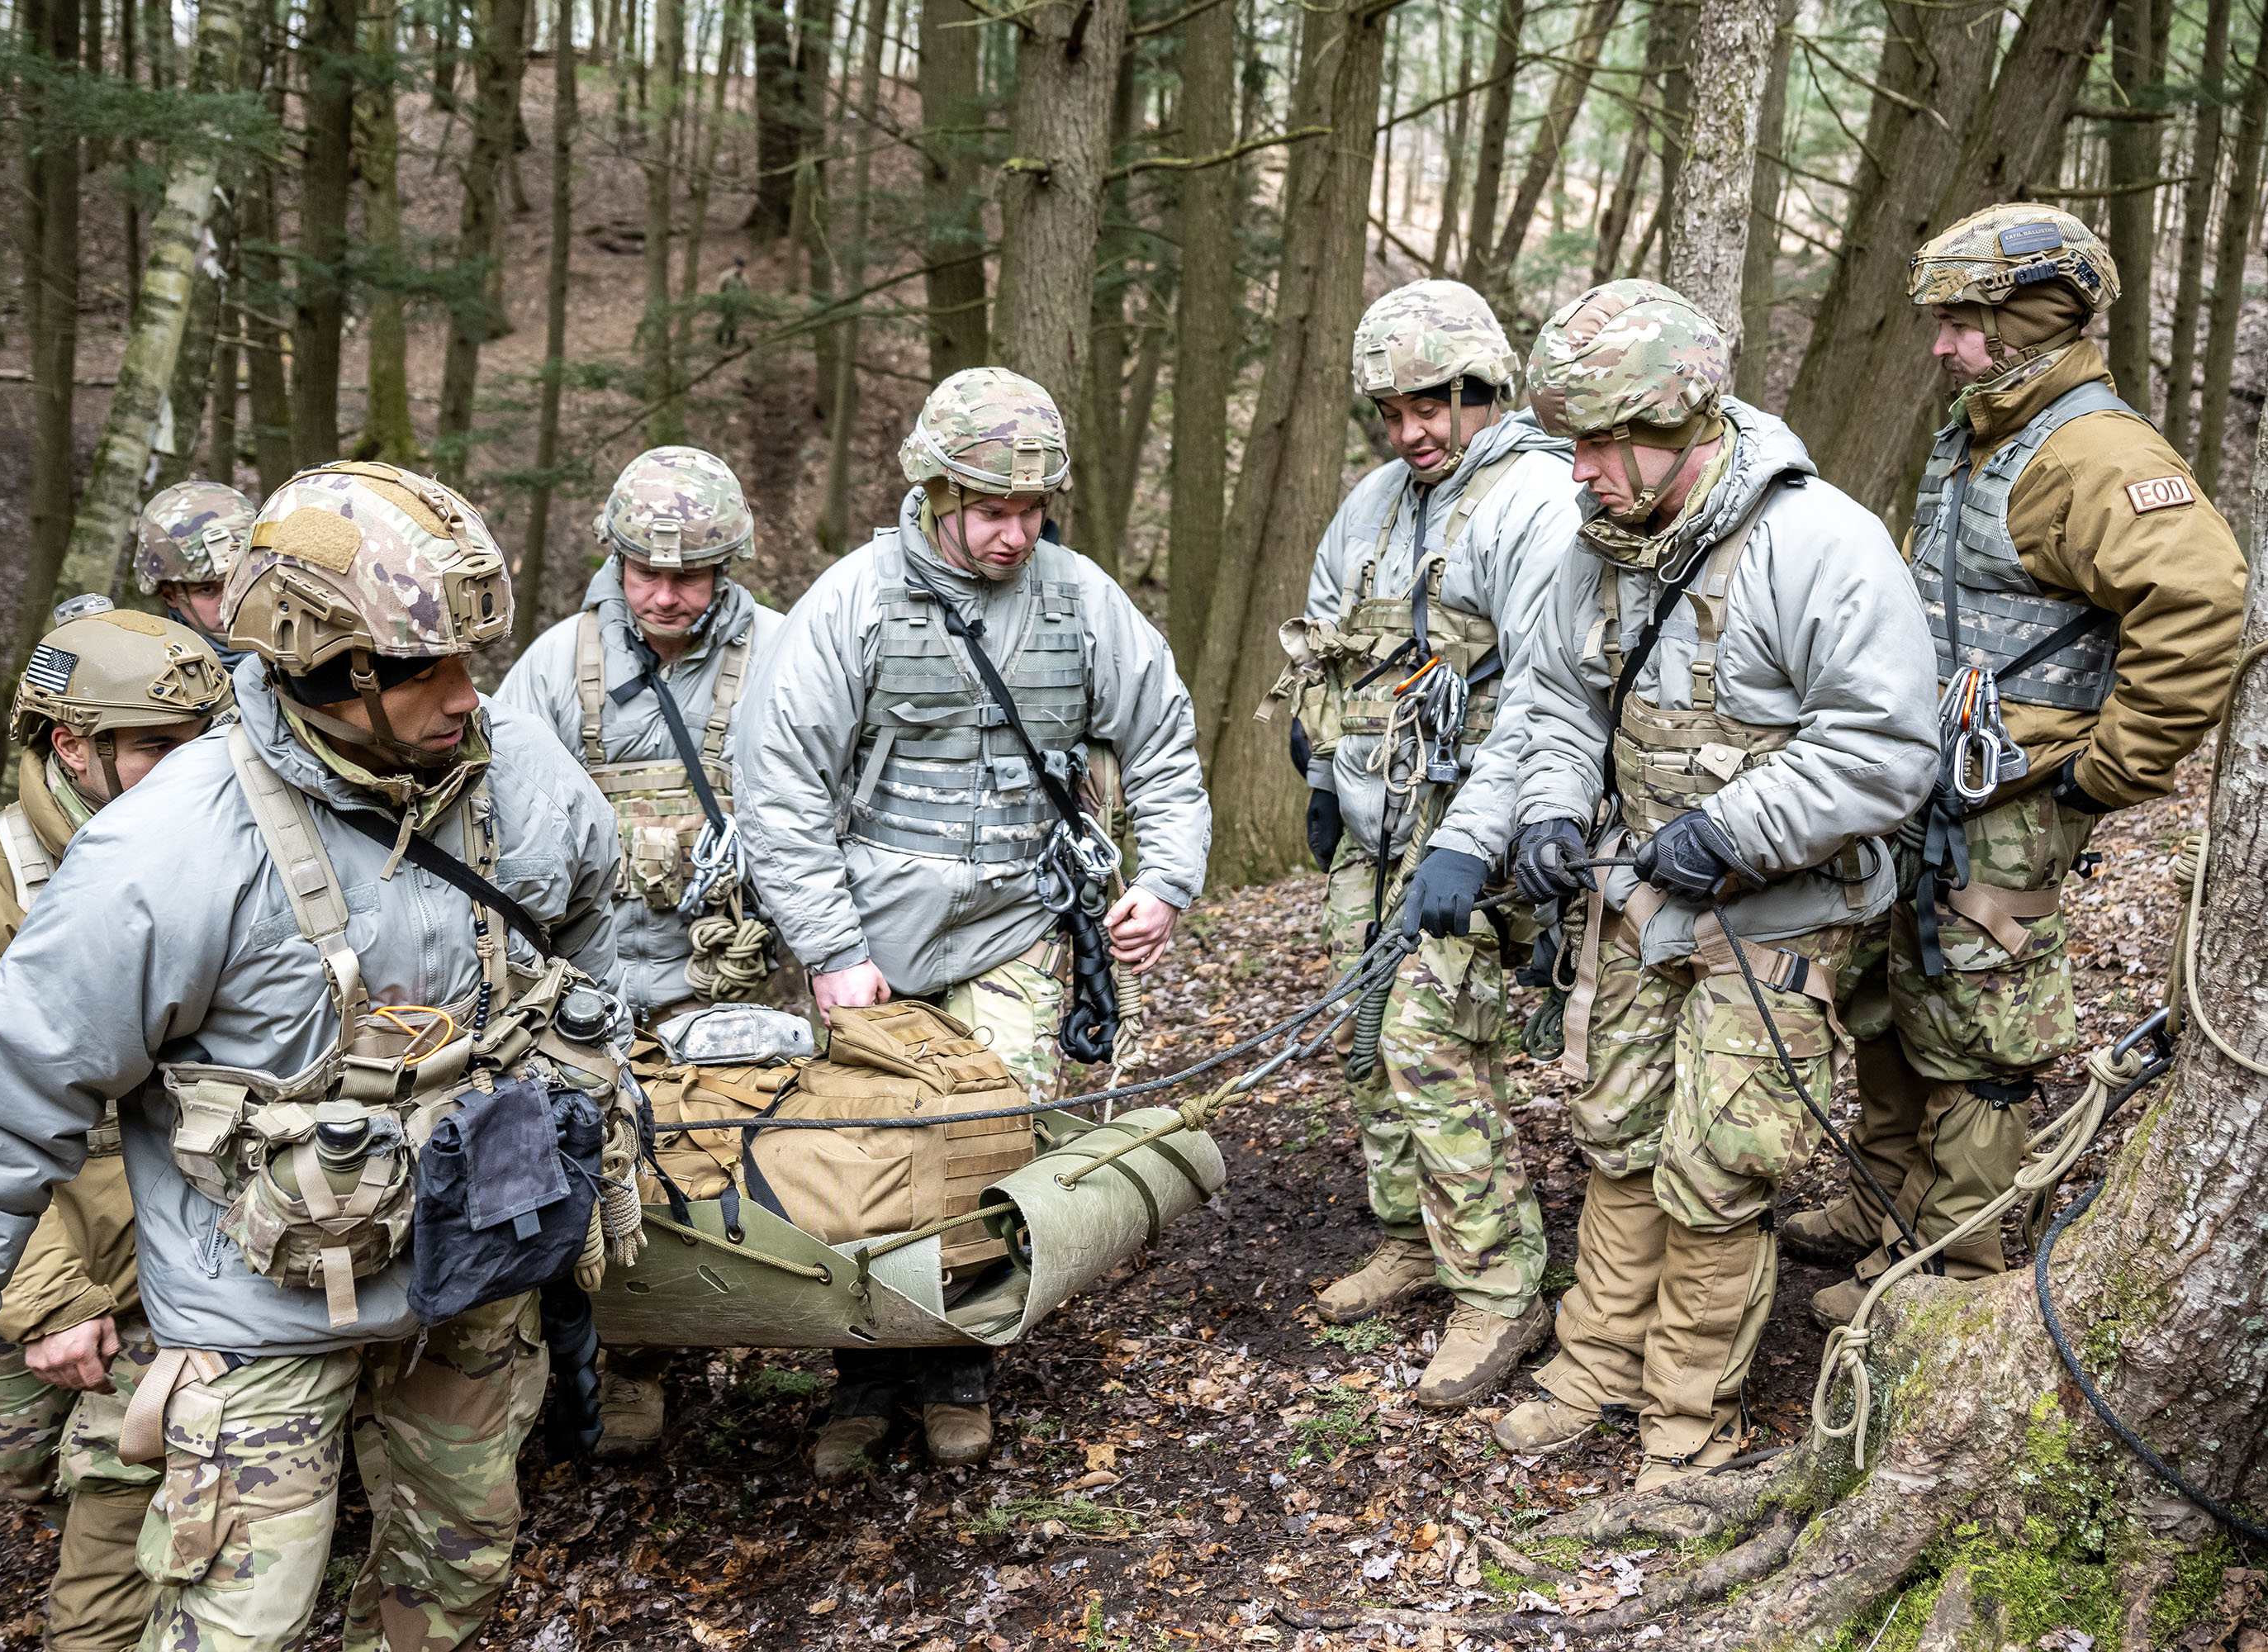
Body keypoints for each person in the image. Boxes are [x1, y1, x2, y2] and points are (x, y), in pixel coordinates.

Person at [0, 460, 625, 1652]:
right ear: (331, 667)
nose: (471, 696)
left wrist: (564, 1201)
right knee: (235, 1622)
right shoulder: (167, 851)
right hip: (258, 1316)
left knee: (455, 1579)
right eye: (431, 668)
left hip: (474, 1282)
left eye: (477, 658)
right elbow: (5, 1097)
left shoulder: (521, 774)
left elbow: (586, 941)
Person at [1487, 281, 1938, 1488]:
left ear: (1673, 424)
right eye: (1569, 443)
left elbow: (1888, 749)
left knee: (1721, 1159)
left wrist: (1728, 830)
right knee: (1619, 1132)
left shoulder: (1819, 543)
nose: (1576, 471)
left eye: (1595, 443)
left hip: (1775, 921)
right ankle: (1593, 1366)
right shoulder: (1594, 548)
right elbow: (1552, 701)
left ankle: (1685, 1417)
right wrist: (1549, 810)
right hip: (1639, 910)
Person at [733, 367, 1210, 1480]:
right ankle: (866, 1366)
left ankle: (956, 1360)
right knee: (866, 1154)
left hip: (1016, 923)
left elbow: (1165, 747)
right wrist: (833, 951)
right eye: (990, 511)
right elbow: (780, 787)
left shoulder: (1082, 601)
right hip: (875, 944)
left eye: (1031, 512)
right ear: (936, 494)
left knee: (994, 1142)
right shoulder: (851, 605)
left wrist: (1168, 880)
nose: (1012, 535)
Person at [1785, 205, 2247, 1324]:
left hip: (2013, 805)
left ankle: (1957, 1269)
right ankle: (1891, 1201)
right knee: (1891, 994)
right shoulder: (1983, 432)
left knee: (1981, 1027)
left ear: (2032, 318)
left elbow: (2200, 604)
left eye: (1962, 323)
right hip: (1929, 783)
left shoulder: (2098, 450)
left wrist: (2105, 776)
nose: (1941, 346)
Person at [0, 608, 230, 1652]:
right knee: (105, 1489)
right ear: (71, 746)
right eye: (157, 746)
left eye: (206, 742)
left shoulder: (217, 853)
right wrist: (51, 1301)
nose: (190, 769)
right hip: (69, 1261)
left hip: (196, 1243)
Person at [1279, 280, 1578, 1409]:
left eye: (1433, 405)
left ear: (1484, 390)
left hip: (1479, 833)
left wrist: (1481, 840)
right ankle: (1413, 1233)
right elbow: (1327, 639)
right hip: (1373, 818)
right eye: (1392, 409)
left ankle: (1500, 1288)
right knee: (1362, 1044)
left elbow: (1557, 695)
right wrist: (1320, 773)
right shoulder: (1373, 504)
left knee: (1431, 1038)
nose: (1411, 431)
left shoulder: (1537, 501)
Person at [494, 445, 782, 1460]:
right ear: (613, 559)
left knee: (761, 1157)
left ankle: (818, 1343)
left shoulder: (786, 658)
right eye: (645, 571)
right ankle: (635, 1359)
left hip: (743, 974)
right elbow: (507, 826)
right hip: (595, 980)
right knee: (615, 1167)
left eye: (691, 574)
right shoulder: (553, 666)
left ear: (729, 566)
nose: (664, 594)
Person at [133, 480, 258, 666]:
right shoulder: (148, 668)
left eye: (239, 580)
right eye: (207, 590)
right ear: (170, 595)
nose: (231, 602)